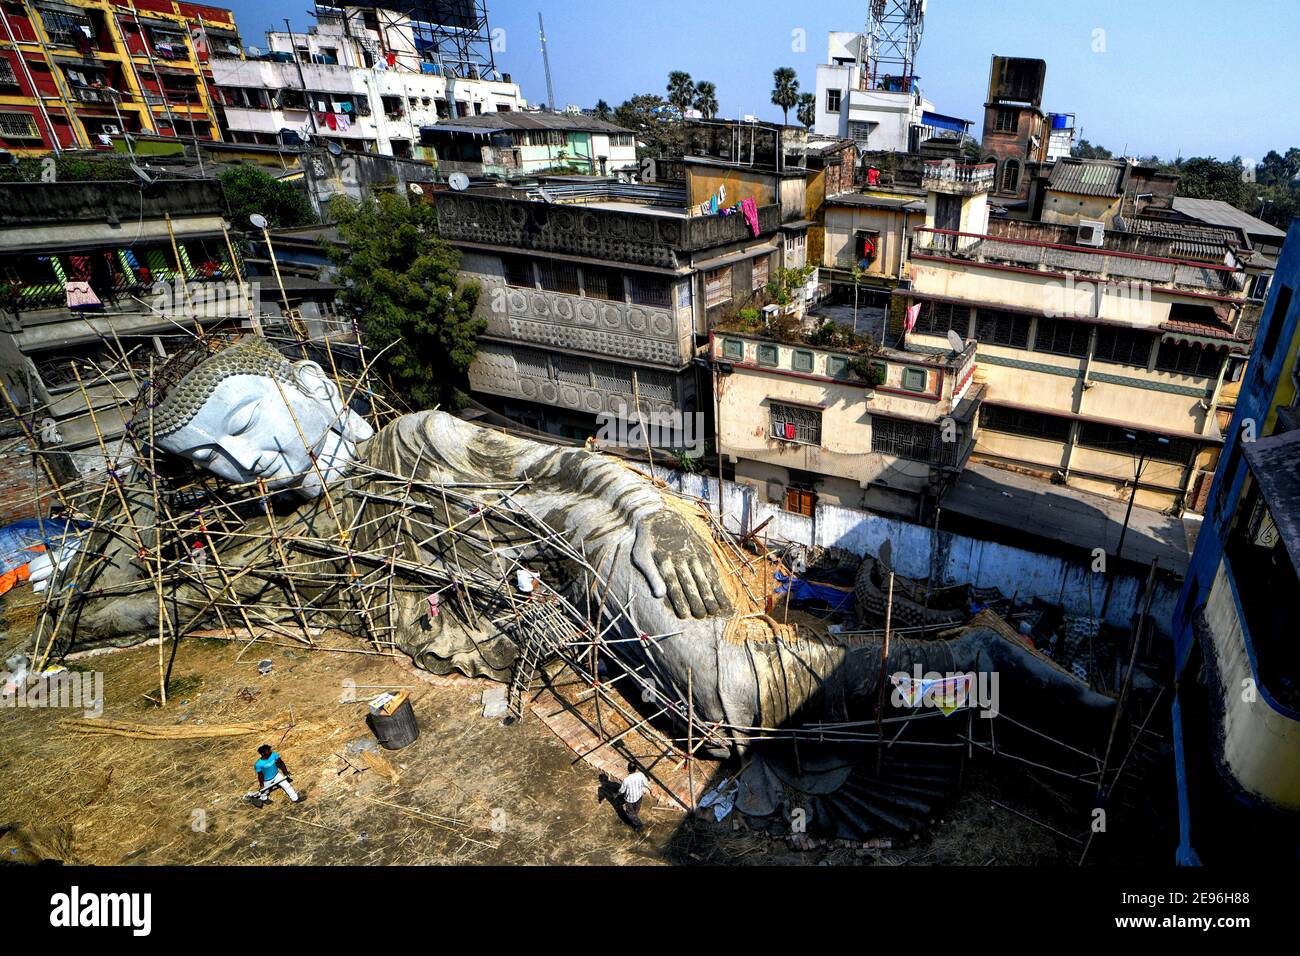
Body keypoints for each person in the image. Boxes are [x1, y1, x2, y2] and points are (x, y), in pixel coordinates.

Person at [617, 761, 649, 832]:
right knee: (636, 810)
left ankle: (639, 825)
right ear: (636, 769)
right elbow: (646, 784)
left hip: (630, 800)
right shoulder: (641, 775)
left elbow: (622, 791)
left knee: (630, 813)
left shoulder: (626, 780)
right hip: (639, 797)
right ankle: (633, 817)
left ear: (628, 769)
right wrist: (648, 788)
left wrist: (616, 794)